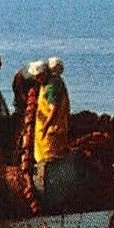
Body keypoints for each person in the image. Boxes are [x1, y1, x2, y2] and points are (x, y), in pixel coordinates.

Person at [33, 56, 80, 207]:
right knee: (48, 155)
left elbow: (53, 109)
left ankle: (46, 195)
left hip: (51, 130)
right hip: (57, 128)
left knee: (47, 158)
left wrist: (46, 126)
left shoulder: (51, 87)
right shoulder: (57, 82)